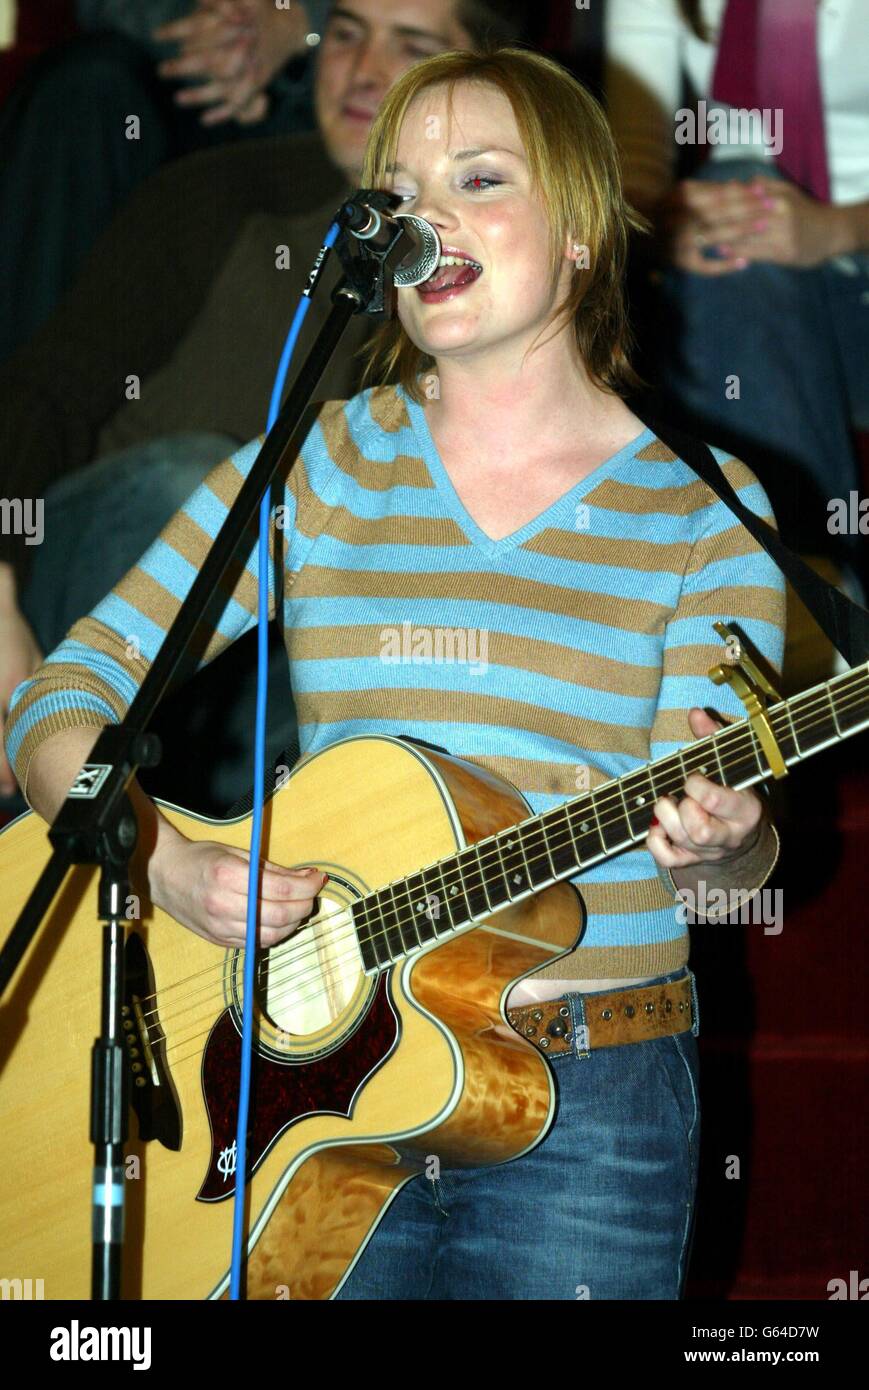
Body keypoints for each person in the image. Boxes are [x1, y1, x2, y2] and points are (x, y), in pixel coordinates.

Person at [5, 45, 785, 1299]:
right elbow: (66, 690)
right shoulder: (317, 465)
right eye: (402, 191)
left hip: (585, 1097)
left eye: (477, 179)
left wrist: (724, 843)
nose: (425, 218)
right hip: (309, 1095)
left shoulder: (701, 510)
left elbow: (729, 854)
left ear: (580, 229)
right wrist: (164, 859)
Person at [0, 0, 532, 816]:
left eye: (411, 46)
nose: (360, 70)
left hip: (275, 656)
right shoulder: (218, 195)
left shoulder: (492, 278)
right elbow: (43, 397)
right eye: (347, 32)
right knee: (203, 486)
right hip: (85, 585)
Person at [605, 0, 869, 589]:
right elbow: (636, 156)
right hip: (765, 262)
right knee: (734, 233)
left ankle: (803, 602)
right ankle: (811, 605)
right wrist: (670, 225)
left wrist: (838, 229)